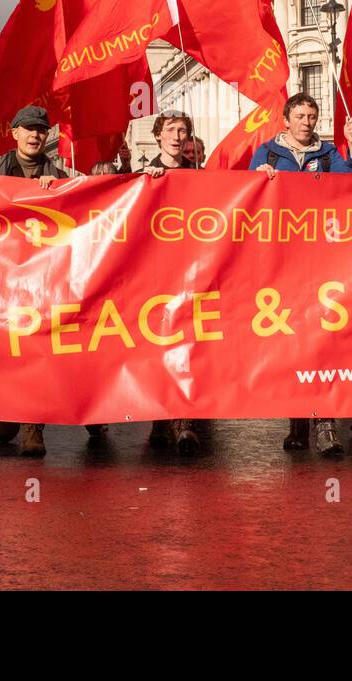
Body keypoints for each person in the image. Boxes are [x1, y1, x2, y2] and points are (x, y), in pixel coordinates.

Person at [0, 105, 94, 456]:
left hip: (45, 279)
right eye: (28, 129)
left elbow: (90, 197)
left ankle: (32, 426)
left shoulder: (60, 171)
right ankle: (9, 415)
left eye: (41, 130)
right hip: (1, 278)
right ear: (13, 133)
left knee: (37, 351)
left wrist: (59, 188)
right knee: (3, 352)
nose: (35, 135)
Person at [253, 92, 352, 456]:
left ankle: (327, 426)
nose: (307, 122)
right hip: (282, 265)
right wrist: (258, 178)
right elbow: (247, 195)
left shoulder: (328, 153)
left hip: (323, 262)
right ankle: (298, 426)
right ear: (286, 120)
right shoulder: (268, 153)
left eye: (312, 116)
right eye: (300, 115)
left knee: (325, 344)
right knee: (293, 347)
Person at [140, 110, 201, 455]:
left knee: (188, 347)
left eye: (183, 131)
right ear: (159, 135)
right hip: (156, 275)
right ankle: (160, 419)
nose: (178, 136)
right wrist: (145, 180)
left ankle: (184, 423)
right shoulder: (145, 175)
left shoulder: (200, 177)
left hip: (191, 274)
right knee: (159, 348)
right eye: (171, 130)